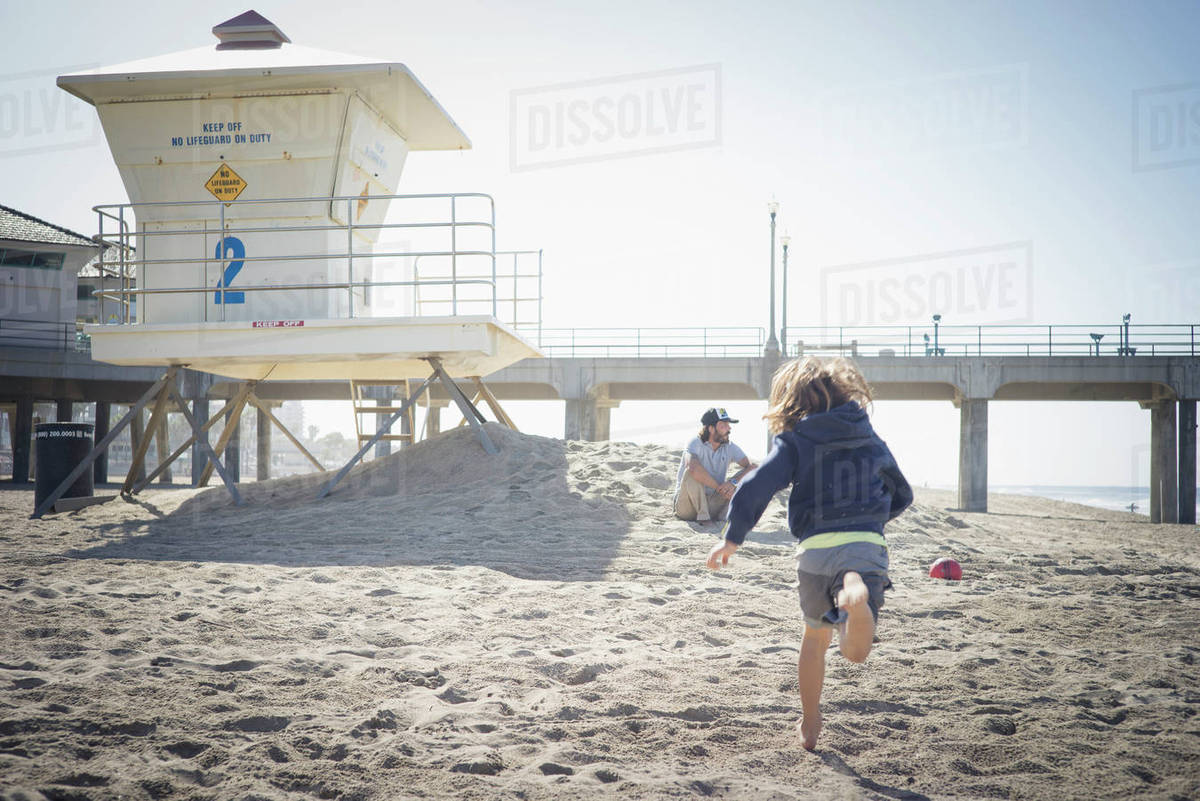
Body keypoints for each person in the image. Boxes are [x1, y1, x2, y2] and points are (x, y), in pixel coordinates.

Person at [704, 357, 912, 750]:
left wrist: (732, 538)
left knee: (815, 638)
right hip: (865, 546)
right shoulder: (869, 436)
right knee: (854, 652)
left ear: (792, 400)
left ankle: (811, 719)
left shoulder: (796, 438)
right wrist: (874, 520)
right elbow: (902, 491)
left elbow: (756, 484)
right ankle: (854, 594)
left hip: (815, 550)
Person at [673, 407, 755, 523]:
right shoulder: (695, 443)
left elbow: (752, 467)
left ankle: (724, 517)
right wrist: (719, 488)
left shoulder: (730, 446)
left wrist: (733, 482)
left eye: (728, 425)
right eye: (724, 425)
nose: (729, 428)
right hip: (687, 506)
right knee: (690, 472)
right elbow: (693, 468)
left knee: (747, 479)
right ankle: (704, 519)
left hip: (712, 503)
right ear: (711, 429)